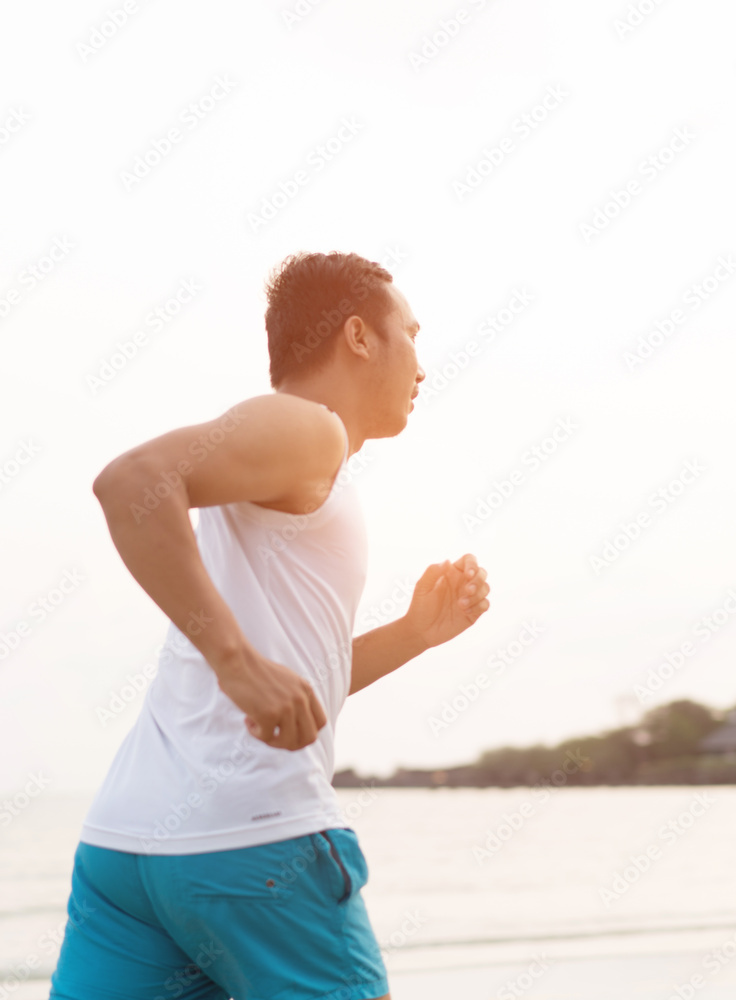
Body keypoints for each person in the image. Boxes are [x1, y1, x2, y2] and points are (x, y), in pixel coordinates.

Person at [49, 251, 491, 1000]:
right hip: (253, 841)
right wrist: (236, 662)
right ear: (359, 336)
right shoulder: (309, 427)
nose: (422, 365)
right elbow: (131, 481)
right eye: (412, 335)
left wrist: (413, 634)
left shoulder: (291, 458)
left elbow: (293, 684)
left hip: (128, 850)